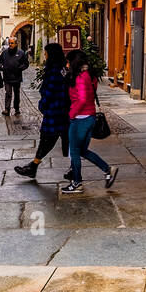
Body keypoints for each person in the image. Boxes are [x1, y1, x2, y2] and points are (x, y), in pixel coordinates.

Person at [61, 48, 118, 194]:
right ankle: (108, 170)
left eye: (69, 62)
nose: (67, 65)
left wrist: (71, 114)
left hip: (80, 118)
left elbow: (82, 99)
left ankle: (77, 182)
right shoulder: (90, 75)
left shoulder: (81, 77)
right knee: (82, 151)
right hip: (90, 116)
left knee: (74, 151)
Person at [14, 42, 70, 178]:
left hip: (54, 111)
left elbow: (50, 91)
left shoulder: (54, 70)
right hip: (61, 110)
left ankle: (33, 166)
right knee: (57, 140)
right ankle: (34, 165)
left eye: (46, 53)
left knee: (49, 139)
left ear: (51, 54)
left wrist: (43, 105)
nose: (44, 56)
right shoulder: (62, 68)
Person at [0, 36, 29, 115]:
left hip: (16, 77)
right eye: (9, 43)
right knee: (8, 93)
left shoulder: (21, 53)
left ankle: (16, 108)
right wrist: (2, 67)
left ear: (16, 44)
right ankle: (7, 109)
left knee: (16, 94)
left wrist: (19, 68)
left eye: (12, 43)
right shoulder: (5, 53)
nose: (10, 45)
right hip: (7, 77)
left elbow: (26, 64)